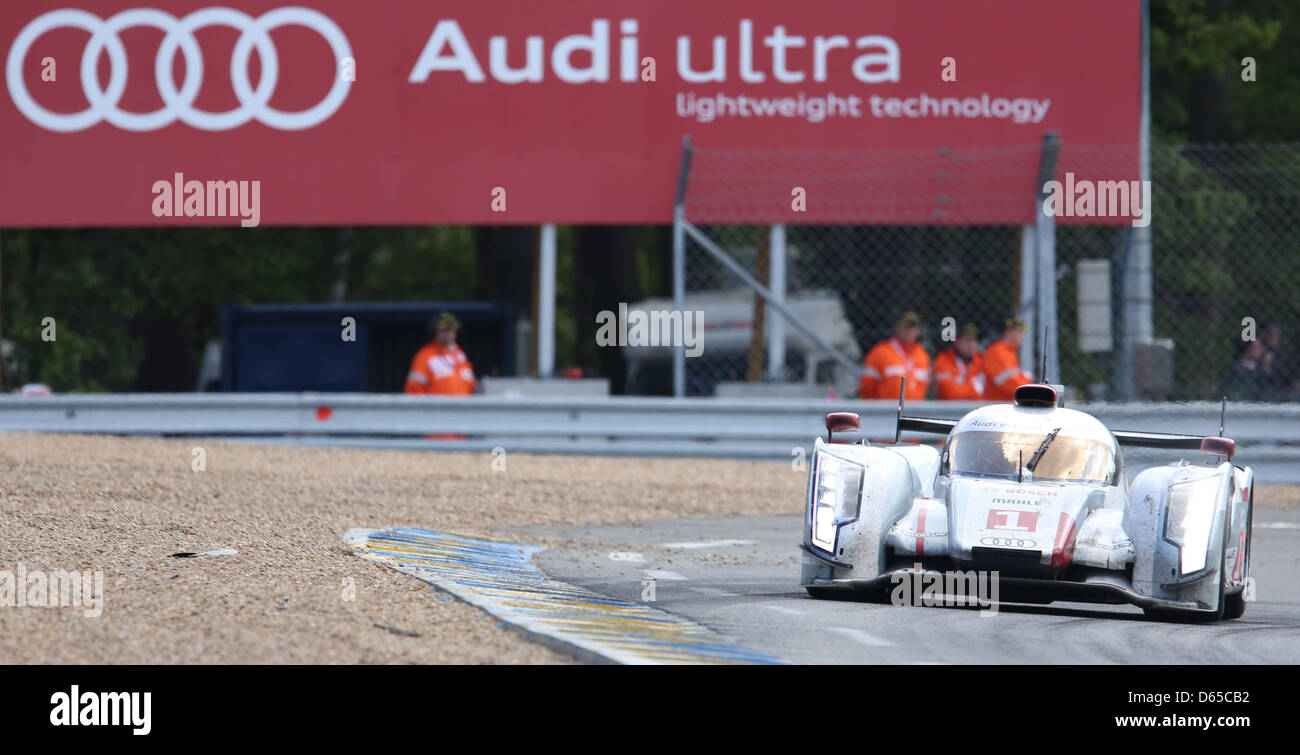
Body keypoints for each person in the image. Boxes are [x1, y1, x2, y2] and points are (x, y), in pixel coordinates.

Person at [858, 311, 931, 400]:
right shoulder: (880, 352)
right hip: (886, 411)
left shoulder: (923, 355)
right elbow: (867, 387)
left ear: (918, 330)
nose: (909, 331)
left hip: (915, 412)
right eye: (905, 326)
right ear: (896, 327)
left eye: (912, 327)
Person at [405, 312, 476, 395]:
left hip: (464, 406)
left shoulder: (462, 356)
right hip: (436, 406)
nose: (448, 332)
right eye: (444, 329)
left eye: (451, 328)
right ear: (436, 330)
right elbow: (414, 388)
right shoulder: (425, 355)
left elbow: (471, 386)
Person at [982, 316, 1033, 401]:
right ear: (1009, 332)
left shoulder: (1008, 352)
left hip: (1003, 405)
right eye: (1019, 331)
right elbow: (1009, 384)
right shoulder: (997, 352)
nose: (1022, 335)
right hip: (996, 406)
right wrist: (1031, 391)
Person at [934, 323, 985, 400]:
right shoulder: (944, 359)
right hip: (950, 410)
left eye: (974, 340)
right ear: (956, 341)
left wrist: (962, 388)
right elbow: (950, 394)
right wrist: (974, 388)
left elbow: (988, 394)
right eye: (967, 340)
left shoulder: (981, 359)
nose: (971, 344)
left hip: (978, 409)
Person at [1259, 322, 1296, 402]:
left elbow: (1290, 377)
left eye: (1275, 336)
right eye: (1270, 335)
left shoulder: (1283, 356)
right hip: (1262, 390)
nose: (1274, 338)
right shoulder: (1257, 351)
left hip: (1281, 390)